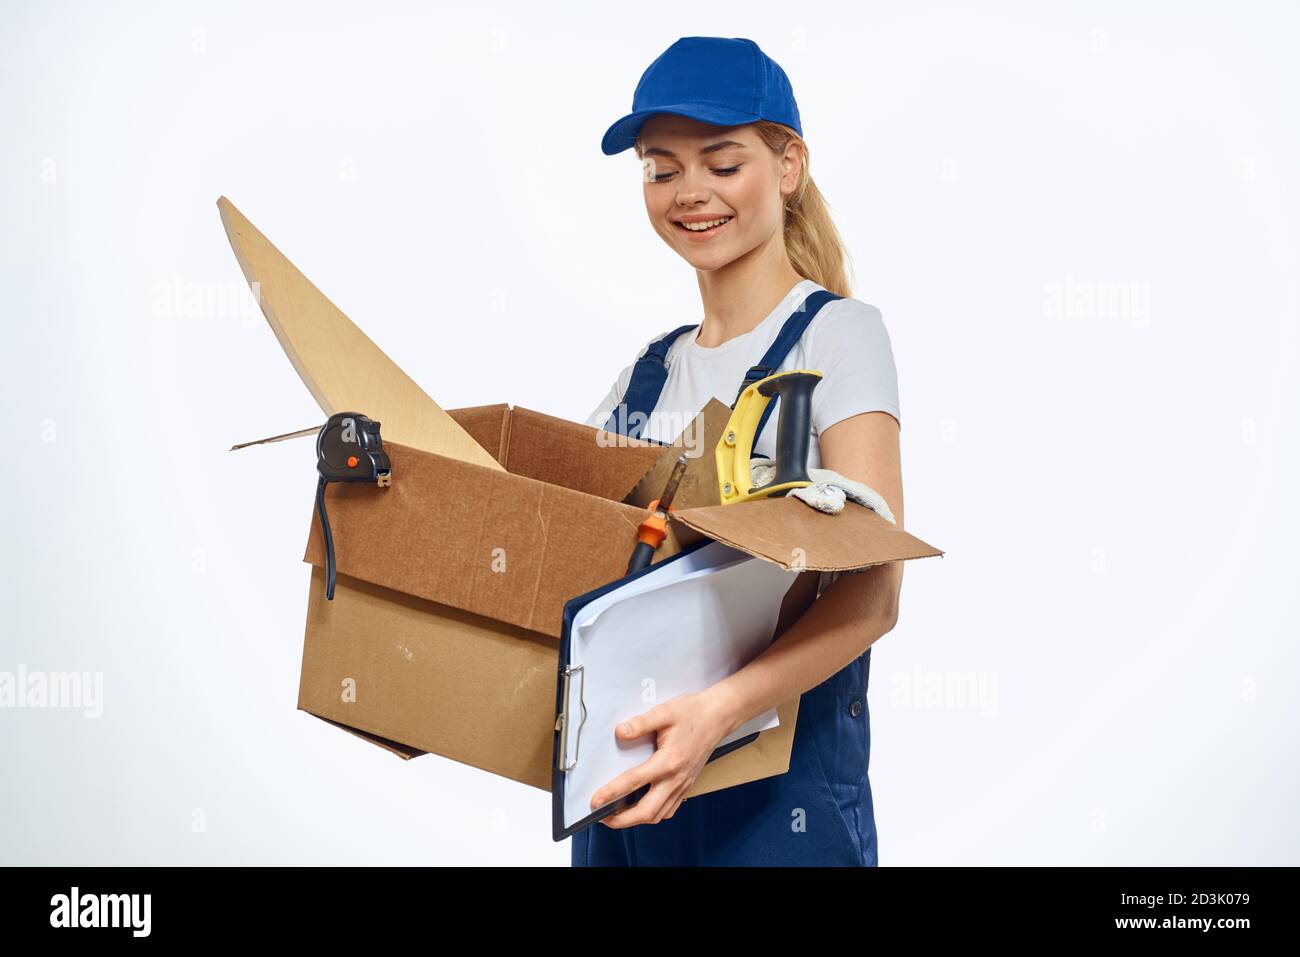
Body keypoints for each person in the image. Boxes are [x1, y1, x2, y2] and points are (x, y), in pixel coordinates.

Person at [574, 36, 906, 866]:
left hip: (775, 799)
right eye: (662, 169)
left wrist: (718, 713)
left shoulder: (838, 336)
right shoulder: (643, 379)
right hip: (627, 787)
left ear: (788, 164)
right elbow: (566, 549)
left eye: (722, 164)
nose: (690, 193)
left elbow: (874, 598)